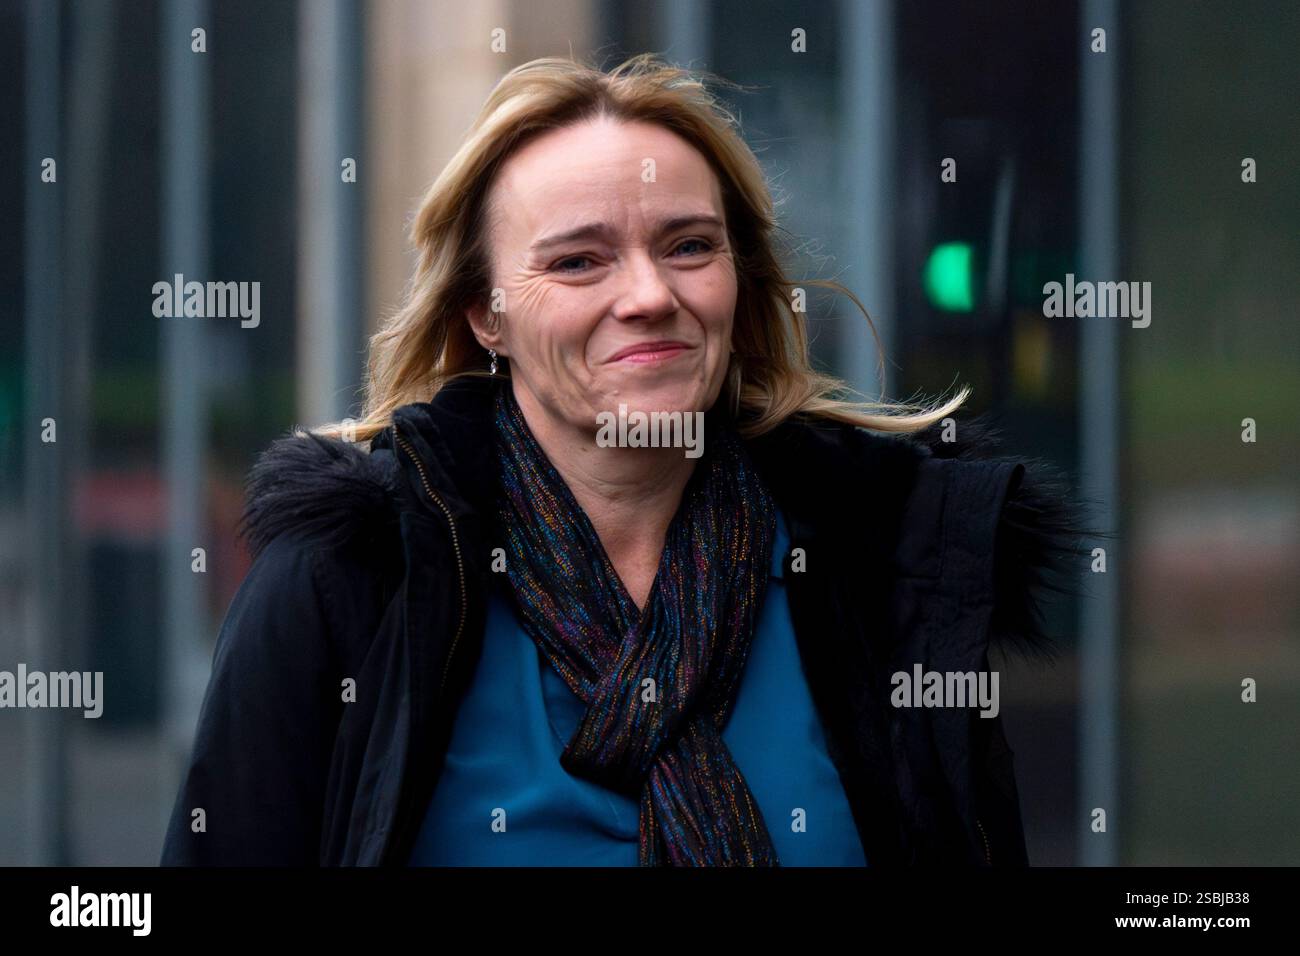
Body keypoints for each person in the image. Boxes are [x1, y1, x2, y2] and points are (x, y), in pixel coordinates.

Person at [160, 53, 1090, 867]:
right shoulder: (351, 579)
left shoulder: (883, 565)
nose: (649, 295)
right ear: (487, 316)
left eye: (689, 246)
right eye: (577, 263)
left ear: (739, 282)